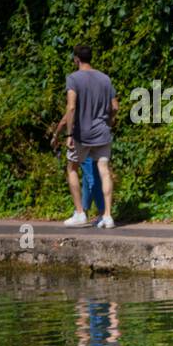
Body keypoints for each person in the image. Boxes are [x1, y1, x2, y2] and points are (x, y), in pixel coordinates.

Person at [47, 44, 118, 228]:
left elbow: (71, 107)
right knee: (104, 170)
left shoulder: (73, 78)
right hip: (102, 132)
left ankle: (80, 213)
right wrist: (109, 122)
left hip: (82, 134)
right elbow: (115, 107)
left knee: (72, 168)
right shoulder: (105, 79)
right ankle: (108, 216)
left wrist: (69, 133)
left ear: (76, 59)